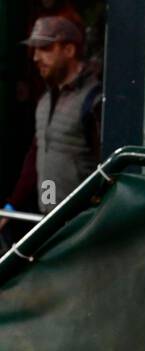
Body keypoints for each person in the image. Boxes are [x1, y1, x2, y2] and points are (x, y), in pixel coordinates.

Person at [2, 15, 102, 233]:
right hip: (49, 221)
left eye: (45, 48)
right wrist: (12, 206)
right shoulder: (46, 100)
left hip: (84, 226)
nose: (36, 57)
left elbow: (108, 167)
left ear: (69, 50)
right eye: (35, 50)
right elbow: (36, 156)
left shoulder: (94, 101)